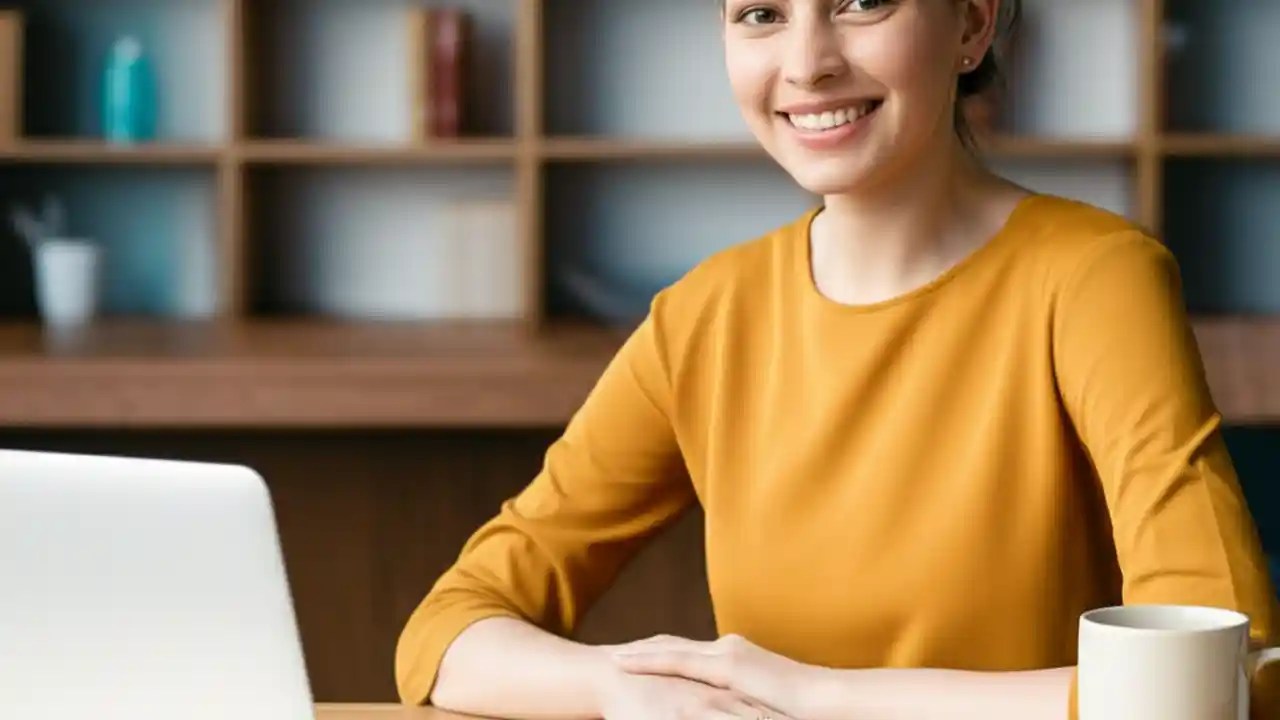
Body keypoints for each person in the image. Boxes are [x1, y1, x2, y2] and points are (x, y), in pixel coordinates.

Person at [396, 1, 1280, 718]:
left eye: (863, 3)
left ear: (972, 25)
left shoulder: (1093, 279)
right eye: (761, 15)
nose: (808, 61)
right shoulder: (705, 314)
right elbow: (447, 632)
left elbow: (1217, 676)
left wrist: (814, 694)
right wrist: (618, 687)